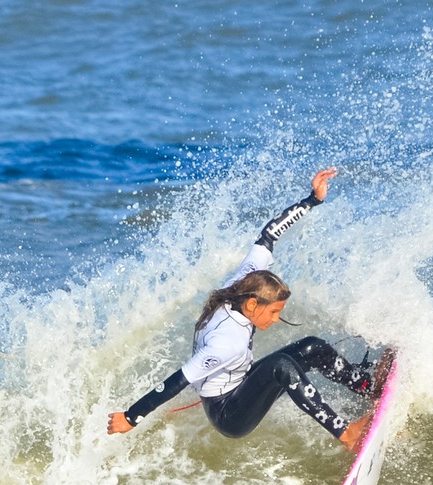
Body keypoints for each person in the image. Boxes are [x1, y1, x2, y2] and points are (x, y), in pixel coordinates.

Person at [106, 167, 392, 452]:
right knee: (281, 367)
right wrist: (131, 417)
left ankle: (367, 387)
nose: (276, 319)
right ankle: (346, 434)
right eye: (273, 312)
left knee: (313, 347)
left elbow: (269, 234)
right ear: (253, 304)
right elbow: (177, 381)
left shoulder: (245, 282)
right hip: (230, 413)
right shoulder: (226, 342)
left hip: (241, 378)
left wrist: (312, 200)